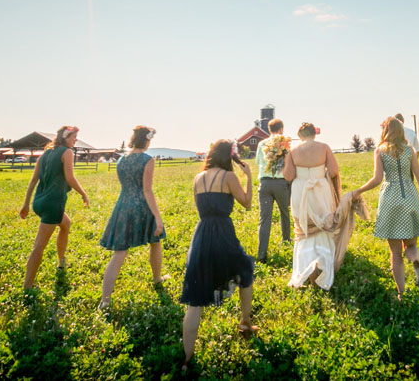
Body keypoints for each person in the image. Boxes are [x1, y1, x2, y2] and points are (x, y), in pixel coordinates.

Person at [180, 140, 255, 370]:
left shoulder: (197, 178)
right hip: (223, 232)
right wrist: (249, 177)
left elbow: (200, 209)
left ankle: (187, 360)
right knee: (245, 270)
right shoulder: (228, 177)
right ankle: (245, 322)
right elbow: (247, 203)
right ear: (228, 156)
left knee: (195, 299)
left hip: (201, 234)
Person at [354, 116, 419, 298]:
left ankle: (401, 293)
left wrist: (359, 190)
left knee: (395, 252)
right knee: (411, 244)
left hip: (390, 199)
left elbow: (377, 179)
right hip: (410, 197)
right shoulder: (409, 150)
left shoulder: (380, 151)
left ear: (385, 131)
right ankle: (415, 261)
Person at [99, 125, 166, 308]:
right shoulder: (147, 160)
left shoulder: (122, 159)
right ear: (146, 139)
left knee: (119, 252)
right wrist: (158, 218)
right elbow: (147, 190)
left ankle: (105, 300)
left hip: (123, 205)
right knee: (156, 241)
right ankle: (157, 279)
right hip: (142, 206)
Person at [19, 125, 90, 290]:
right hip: (53, 203)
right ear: (65, 137)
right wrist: (83, 194)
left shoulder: (45, 154)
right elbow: (70, 178)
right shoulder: (67, 152)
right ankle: (27, 286)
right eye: (74, 137)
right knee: (39, 245)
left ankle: (61, 261)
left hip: (39, 202)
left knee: (66, 224)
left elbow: (32, 181)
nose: (76, 140)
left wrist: (26, 205)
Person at [282, 122, 342, 289]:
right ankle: (323, 267)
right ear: (314, 134)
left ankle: (307, 271)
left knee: (304, 228)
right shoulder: (324, 147)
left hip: (301, 189)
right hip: (320, 189)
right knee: (323, 225)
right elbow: (334, 170)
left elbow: (288, 176)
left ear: (300, 135)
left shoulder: (292, 151)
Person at [253, 118, 292, 263]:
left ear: (269, 130)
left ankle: (262, 253)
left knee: (264, 219)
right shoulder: (285, 143)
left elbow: (258, 162)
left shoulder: (262, 144)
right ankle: (286, 241)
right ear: (281, 129)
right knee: (284, 213)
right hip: (281, 183)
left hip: (265, 184)